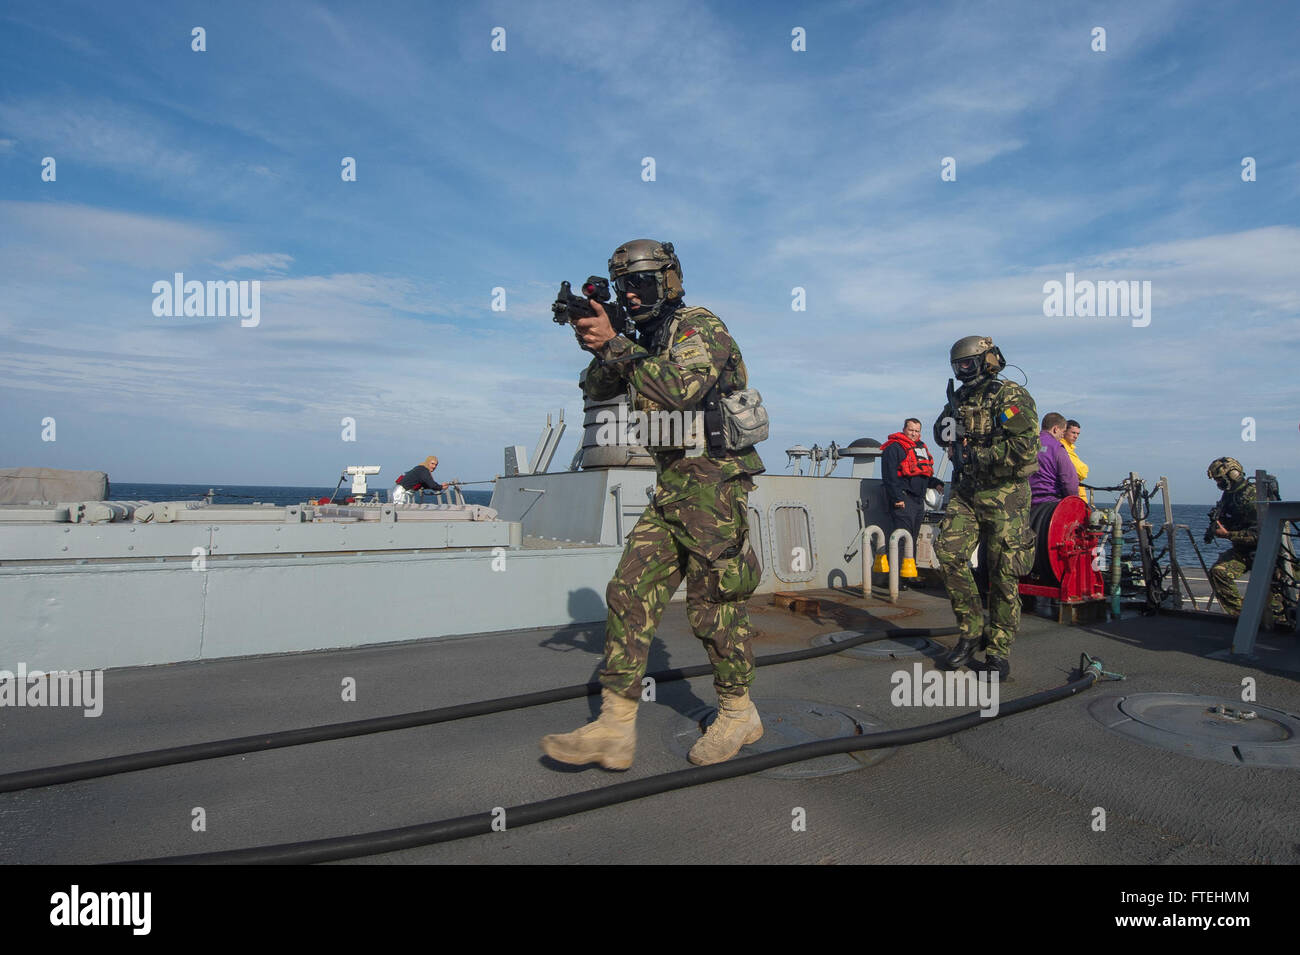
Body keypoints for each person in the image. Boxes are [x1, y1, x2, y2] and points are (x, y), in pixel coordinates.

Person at [540, 239, 766, 769]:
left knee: (715, 606)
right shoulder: (642, 338)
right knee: (628, 591)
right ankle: (615, 727)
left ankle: (738, 713)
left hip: (713, 485)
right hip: (670, 487)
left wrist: (618, 341)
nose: (632, 294)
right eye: (624, 286)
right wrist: (600, 343)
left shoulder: (699, 327)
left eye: (642, 283)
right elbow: (596, 387)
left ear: (668, 280)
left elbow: (681, 390)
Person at [932, 336, 1040, 680]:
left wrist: (977, 455)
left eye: (966, 364)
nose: (962, 371)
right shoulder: (960, 397)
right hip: (967, 491)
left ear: (986, 361)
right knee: (949, 554)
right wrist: (949, 431)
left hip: (1004, 494)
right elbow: (941, 428)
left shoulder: (1010, 396)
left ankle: (998, 649)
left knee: (1003, 571)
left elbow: (1024, 449)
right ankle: (970, 631)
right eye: (956, 366)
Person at [1205, 457, 1288, 629]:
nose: (1219, 483)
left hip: (1266, 552)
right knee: (1218, 573)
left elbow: (1260, 535)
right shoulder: (1229, 496)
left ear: (1232, 474)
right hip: (1243, 552)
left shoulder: (1253, 497)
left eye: (1220, 479)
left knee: (1277, 603)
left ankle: (1280, 621)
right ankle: (1245, 617)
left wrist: (1228, 535)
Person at [879, 418, 944, 574]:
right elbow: (890, 476)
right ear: (904, 429)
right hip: (903, 499)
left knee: (912, 539)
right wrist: (897, 499)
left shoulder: (920, 448)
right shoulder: (894, 448)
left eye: (917, 431)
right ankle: (896, 578)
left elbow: (922, 475)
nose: (914, 434)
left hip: (917, 501)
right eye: (911, 430)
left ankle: (909, 573)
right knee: (902, 539)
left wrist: (935, 483)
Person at [1029, 412, 1079, 505]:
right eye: (1063, 432)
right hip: (1050, 503)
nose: (1062, 436)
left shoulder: (1028, 444)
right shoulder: (1057, 448)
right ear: (1055, 429)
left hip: (1027, 503)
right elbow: (1070, 482)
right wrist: (1074, 503)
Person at [1062, 419, 1090, 504]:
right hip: (1072, 495)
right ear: (1064, 431)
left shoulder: (1070, 448)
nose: (1076, 436)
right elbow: (1081, 472)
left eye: (1078, 434)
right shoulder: (1063, 447)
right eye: (1073, 433)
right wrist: (1085, 469)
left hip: (1076, 494)